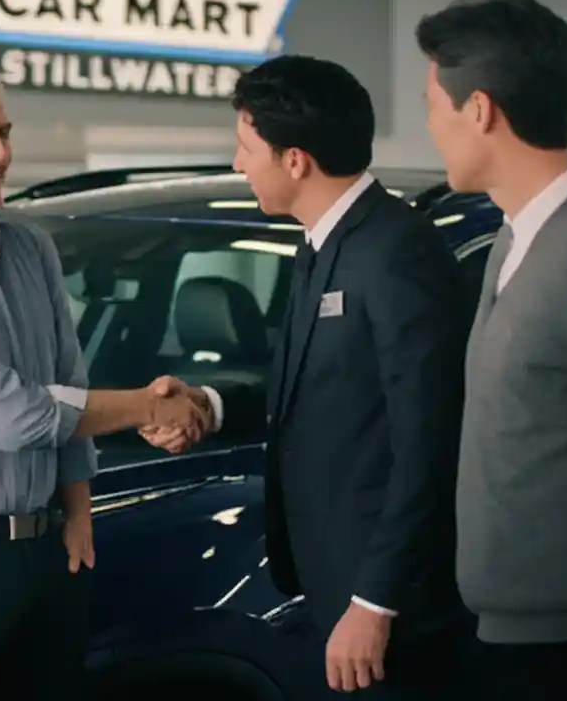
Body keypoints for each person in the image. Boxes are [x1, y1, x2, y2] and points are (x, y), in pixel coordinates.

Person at [0, 65, 213, 701]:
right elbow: (14, 416)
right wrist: (149, 406)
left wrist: (78, 509)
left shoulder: (30, 248)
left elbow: (66, 379)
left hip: (46, 550)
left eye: (3, 132)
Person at [142, 55, 473, 698]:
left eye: (245, 147)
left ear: (295, 159)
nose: (238, 165)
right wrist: (209, 404)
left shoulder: (396, 249)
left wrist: (376, 603)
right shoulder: (323, 240)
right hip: (329, 587)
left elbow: (430, 442)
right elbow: (323, 385)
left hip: (388, 608)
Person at [416, 0, 567, 699]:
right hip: (516, 634)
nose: (432, 128)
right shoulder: (519, 236)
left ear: (481, 110)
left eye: (434, 106)